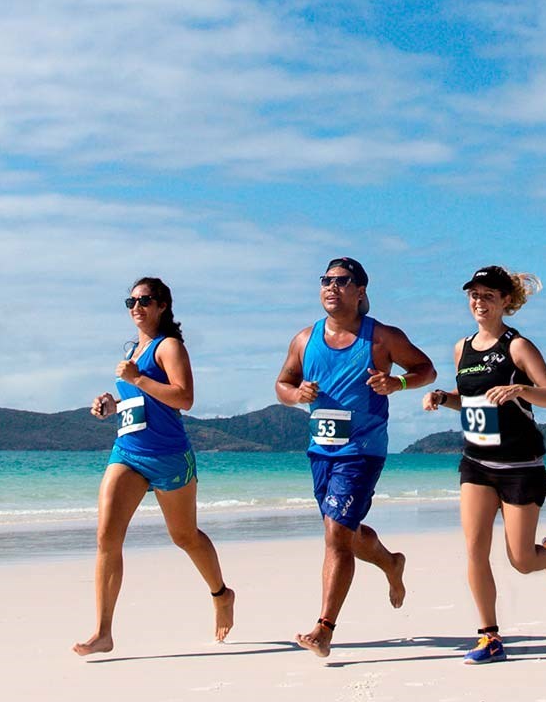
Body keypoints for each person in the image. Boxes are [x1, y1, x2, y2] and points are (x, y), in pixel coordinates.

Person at [273, 257, 435, 658]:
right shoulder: (304, 339)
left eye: (342, 281)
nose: (332, 287)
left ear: (360, 291)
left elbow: (426, 370)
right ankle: (391, 563)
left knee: (335, 536)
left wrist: (397, 382)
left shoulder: (382, 338)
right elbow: (282, 383)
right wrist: (297, 395)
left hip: (362, 451)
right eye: (326, 280)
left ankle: (324, 628)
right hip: (320, 451)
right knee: (345, 533)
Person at [420, 266, 546, 664]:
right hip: (477, 463)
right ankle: (489, 637)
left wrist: (521, 388)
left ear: (506, 301)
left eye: (488, 295)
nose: (479, 302)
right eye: (474, 295)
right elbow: (470, 399)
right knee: (475, 549)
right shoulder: (462, 348)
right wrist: (442, 397)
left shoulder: (518, 347)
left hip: (521, 466)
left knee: (521, 560)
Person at [74, 277, 234, 655]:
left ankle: (221, 594)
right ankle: (103, 632)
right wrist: (112, 404)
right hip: (128, 453)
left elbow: (184, 398)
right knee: (107, 537)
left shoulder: (169, 347)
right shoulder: (134, 349)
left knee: (185, 536)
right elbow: (139, 400)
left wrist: (138, 378)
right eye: (131, 301)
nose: (136, 307)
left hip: (169, 457)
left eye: (144, 300)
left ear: (162, 305)